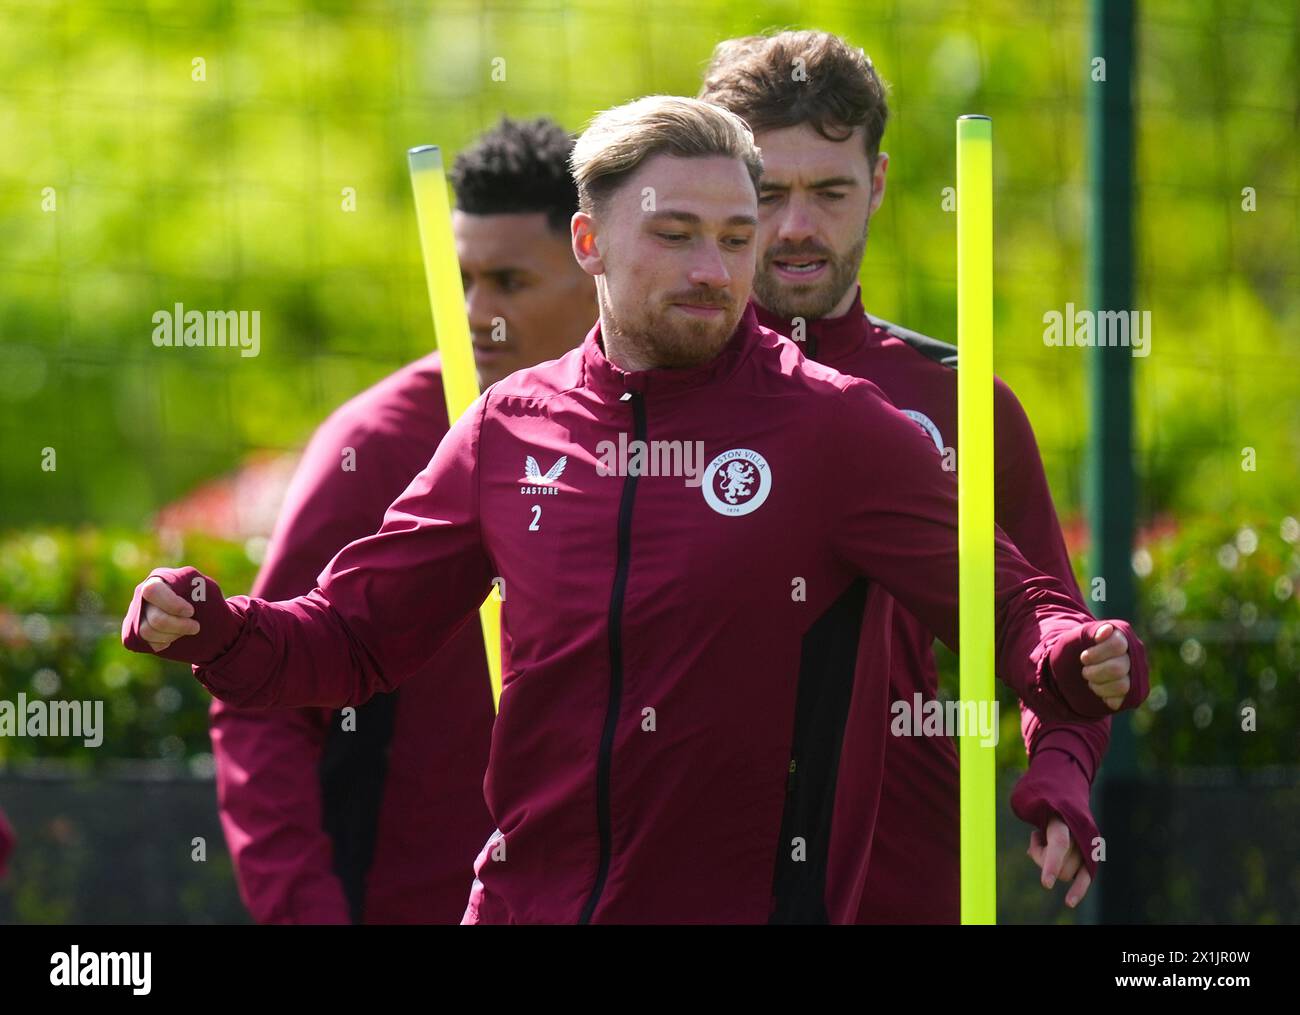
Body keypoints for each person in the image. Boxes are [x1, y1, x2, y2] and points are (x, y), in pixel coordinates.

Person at [123, 95, 1146, 924]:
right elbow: (353, 637)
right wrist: (219, 627)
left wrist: (1069, 660)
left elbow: (1012, 607)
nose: (713, 269)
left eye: (734, 239)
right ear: (589, 241)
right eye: (676, 235)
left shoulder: (838, 429)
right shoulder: (506, 427)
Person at [700, 29, 1114, 919]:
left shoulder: (961, 402)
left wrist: (1062, 769)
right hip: (690, 871)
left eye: (831, 191)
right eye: (767, 195)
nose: (798, 227)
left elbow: (1054, 630)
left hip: (910, 876)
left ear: (878, 184)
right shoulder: (652, 396)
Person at [208, 116, 598, 924]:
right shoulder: (378, 446)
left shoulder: (666, 428)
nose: (474, 311)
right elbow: (262, 703)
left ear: (596, 262)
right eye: (460, 278)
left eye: (510, 282)